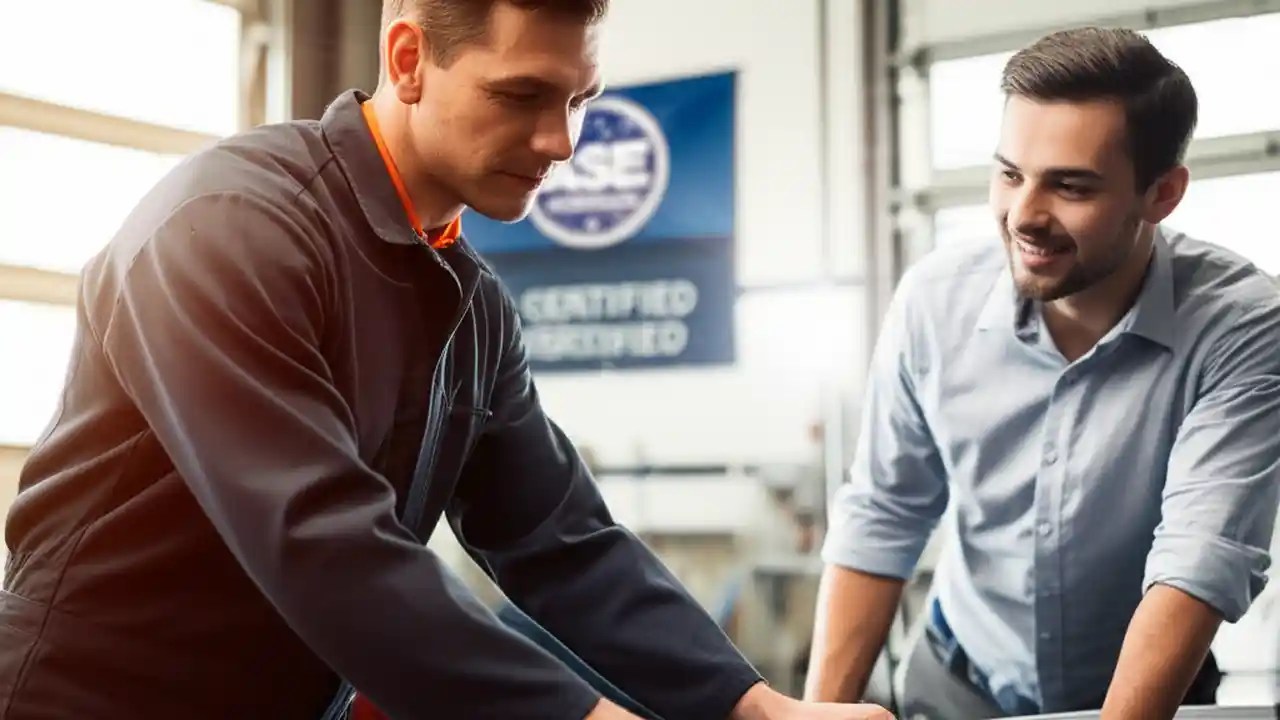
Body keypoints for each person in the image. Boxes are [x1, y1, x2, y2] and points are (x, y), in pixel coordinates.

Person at [0, 1, 895, 719]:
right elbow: (324, 547)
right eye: (522, 96)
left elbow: (562, 541)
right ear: (406, 60)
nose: (564, 142)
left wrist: (754, 706)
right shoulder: (228, 229)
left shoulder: (470, 305)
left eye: (580, 100)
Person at [803, 25, 1279, 720]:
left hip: (1142, 695)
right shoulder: (933, 301)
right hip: (954, 686)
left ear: (1162, 194)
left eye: (1071, 186)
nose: (1023, 215)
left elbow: (1200, 556)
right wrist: (816, 713)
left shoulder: (1243, 325)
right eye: (1009, 174)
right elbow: (885, 513)